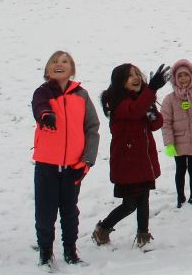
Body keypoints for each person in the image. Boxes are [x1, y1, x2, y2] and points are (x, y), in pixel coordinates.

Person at [32, 51, 100, 267]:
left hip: (73, 166)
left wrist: (87, 160)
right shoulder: (43, 92)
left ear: (72, 69)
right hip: (47, 165)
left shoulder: (81, 95)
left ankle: (70, 251)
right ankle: (45, 253)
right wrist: (46, 115)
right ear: (47, 69)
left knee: (70, 212)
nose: (58, 64)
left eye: (64, 61)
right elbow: (39, 106)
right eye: (54, 61)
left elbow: (92, 127)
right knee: (45, 213)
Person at [91, 63, 169, 249]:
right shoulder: (118, 103)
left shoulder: (141, 100)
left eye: (137, 74)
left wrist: (151, 109)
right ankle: (103, 229)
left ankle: (143, 235)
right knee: (130, 204)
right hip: (127, 162)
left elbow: (156, 124)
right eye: (130, 76)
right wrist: (151, 90)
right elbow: (134, 111)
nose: (136, 78)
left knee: (144, 199)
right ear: (120, 82)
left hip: (143, 160)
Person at [159, 59, 192, 209]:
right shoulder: (169, 99)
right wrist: (169, 143)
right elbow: (165, 123)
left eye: (186, 75)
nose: (183, 79)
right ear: (175, 79)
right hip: (178, 142)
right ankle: (180, 197)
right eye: (180, 76)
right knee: (180, 169)